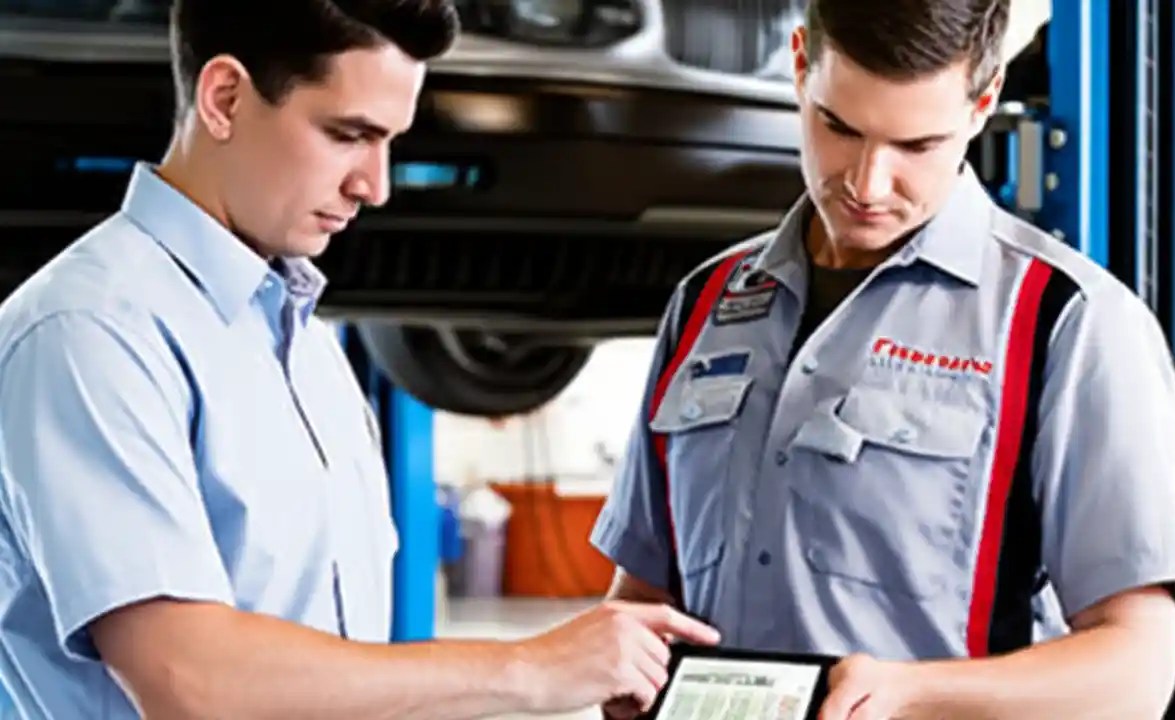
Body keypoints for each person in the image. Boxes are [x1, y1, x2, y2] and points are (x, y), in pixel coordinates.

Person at [0, 1, 720, 718]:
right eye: (349, 134)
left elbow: (344, 674)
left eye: (390, 143)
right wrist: (529, 668)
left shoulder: (305, 344)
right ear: (225, 98)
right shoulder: (89, 332)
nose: (374, 185)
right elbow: (191, 681)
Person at [590, 0, 1175, 718]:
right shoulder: (707, 303)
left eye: (916, 146)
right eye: (839, 128)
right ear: (799, 66)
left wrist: (913, 695)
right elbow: (642, 601)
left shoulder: (1068, 325)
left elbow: (1136, 672)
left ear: (984, 101)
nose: (868, 184)